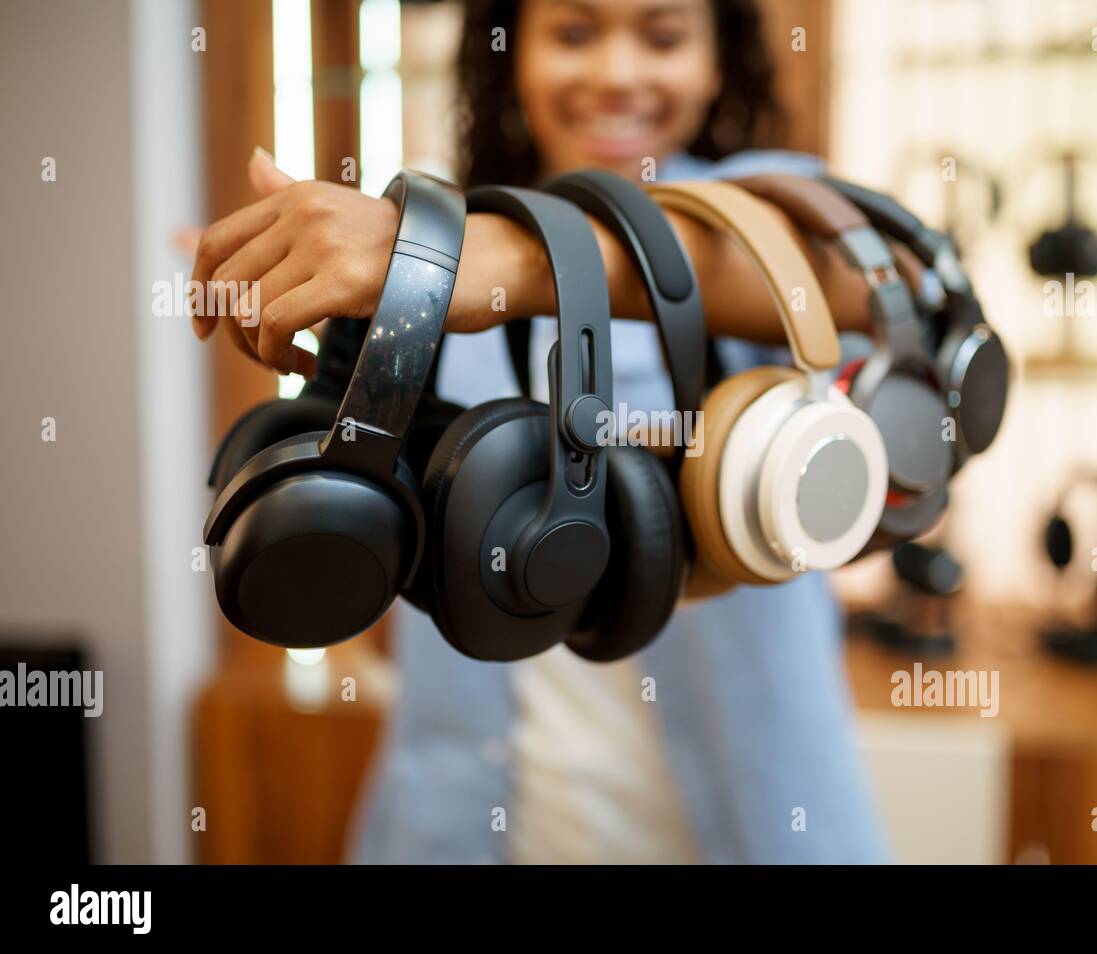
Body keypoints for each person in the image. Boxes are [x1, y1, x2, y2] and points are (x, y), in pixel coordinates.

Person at [191, 0, 892, 863]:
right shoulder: (429, 270)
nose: (617, 73)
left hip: (751, 825)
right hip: (477, 826)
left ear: (717, 63)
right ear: (511, 56)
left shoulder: (758, 210)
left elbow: (858, 279)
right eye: (574, 32)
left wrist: (506, 261)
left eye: (663, 36)